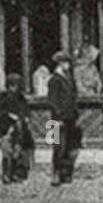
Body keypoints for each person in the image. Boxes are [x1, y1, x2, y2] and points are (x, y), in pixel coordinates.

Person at [46, 50, 79, 185]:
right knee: (57, 147)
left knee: (67, 147)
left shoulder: (69, 79)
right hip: (55, 120)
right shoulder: (54, 80)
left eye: (68, 63)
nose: (68, 66)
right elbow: (52, 101)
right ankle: (55, 173)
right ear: (60, 64)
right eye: (65, 63)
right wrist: (57, 118)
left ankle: (65, 174)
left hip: (69, 117)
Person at [0, 74, 33, 183]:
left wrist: (26, 118)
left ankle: (16, 174)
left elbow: (26, 110)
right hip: (7, 127)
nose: (15, 88)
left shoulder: (21, 97)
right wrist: (9, 115)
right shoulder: (3, 97)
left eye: (17, 86)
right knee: (7, 152)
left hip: (20, 128)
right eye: (13, 86)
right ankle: (6, 175)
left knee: (18, 151)